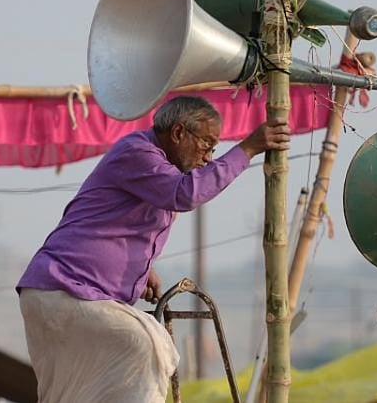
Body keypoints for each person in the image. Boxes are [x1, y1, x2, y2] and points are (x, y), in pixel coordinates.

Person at [17, 95, 291, 403]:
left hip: (64, 294)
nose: (208, 158)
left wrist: (141, 269)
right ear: (178, 134)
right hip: (64, 290)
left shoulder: (155, 166)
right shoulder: (138, 153)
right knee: (147, 344)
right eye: (206, 144)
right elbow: (185, 194)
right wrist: (247, 148)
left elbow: (118, 222)